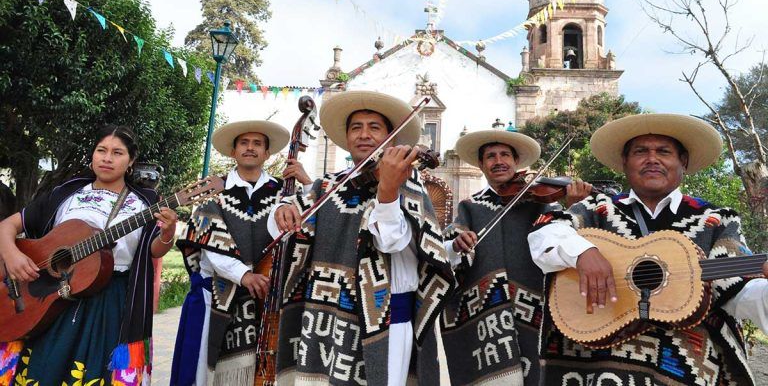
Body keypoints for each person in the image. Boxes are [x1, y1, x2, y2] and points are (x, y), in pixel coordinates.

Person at [528, 113, 768, 385]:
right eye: (641, 151)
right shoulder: (599, 209)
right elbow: (544, 232)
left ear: (683, 162)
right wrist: (583, 252)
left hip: (691, 371)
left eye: (664, 151)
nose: (652, 158)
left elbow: (737, 291)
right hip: (597, 368)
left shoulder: (716, 219)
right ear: (625, 163)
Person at [270, 90, 455, 385]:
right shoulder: (327, 185)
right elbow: (281, 229)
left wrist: (388, 191)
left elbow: (390, 240)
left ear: (391, 138)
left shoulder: (411, 184)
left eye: (374, 127)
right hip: (329, 318)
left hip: (390, 323)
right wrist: (282, 211)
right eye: (356, 127)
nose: (364, 134)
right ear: (347, 136)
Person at [0, 124, 178, 385]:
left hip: (110, 302)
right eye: (101, 150)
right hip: (48, 298)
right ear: (92, 154)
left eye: (117, 152)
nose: (107, 158)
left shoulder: (146, 202)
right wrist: (12, 255)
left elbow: (154, 249)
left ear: (131, 161)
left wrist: (168, 232)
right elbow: (7, 226)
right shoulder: (66, 193)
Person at [441, 129, 591, 385]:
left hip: (539, 309)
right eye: (490, 156)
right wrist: (456, 246)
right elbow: (445, 251)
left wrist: (573, 205)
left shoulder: (543, 203)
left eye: (505, 155)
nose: (498, 161)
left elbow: (568, 240)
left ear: (516, 162)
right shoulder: (470, 206)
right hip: (487, 314)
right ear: (481, 164)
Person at [170, 120, 310, 385]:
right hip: (218, 295)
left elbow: (308, 232)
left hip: (269, 298)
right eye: (244, 143)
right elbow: (209, 242)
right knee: (206, 374)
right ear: (233, 151)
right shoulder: (213, 191)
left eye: (258, 143)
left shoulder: (285, 192)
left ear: (268, 153)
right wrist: (244, 276)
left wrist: (307, 182)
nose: (250, 148)